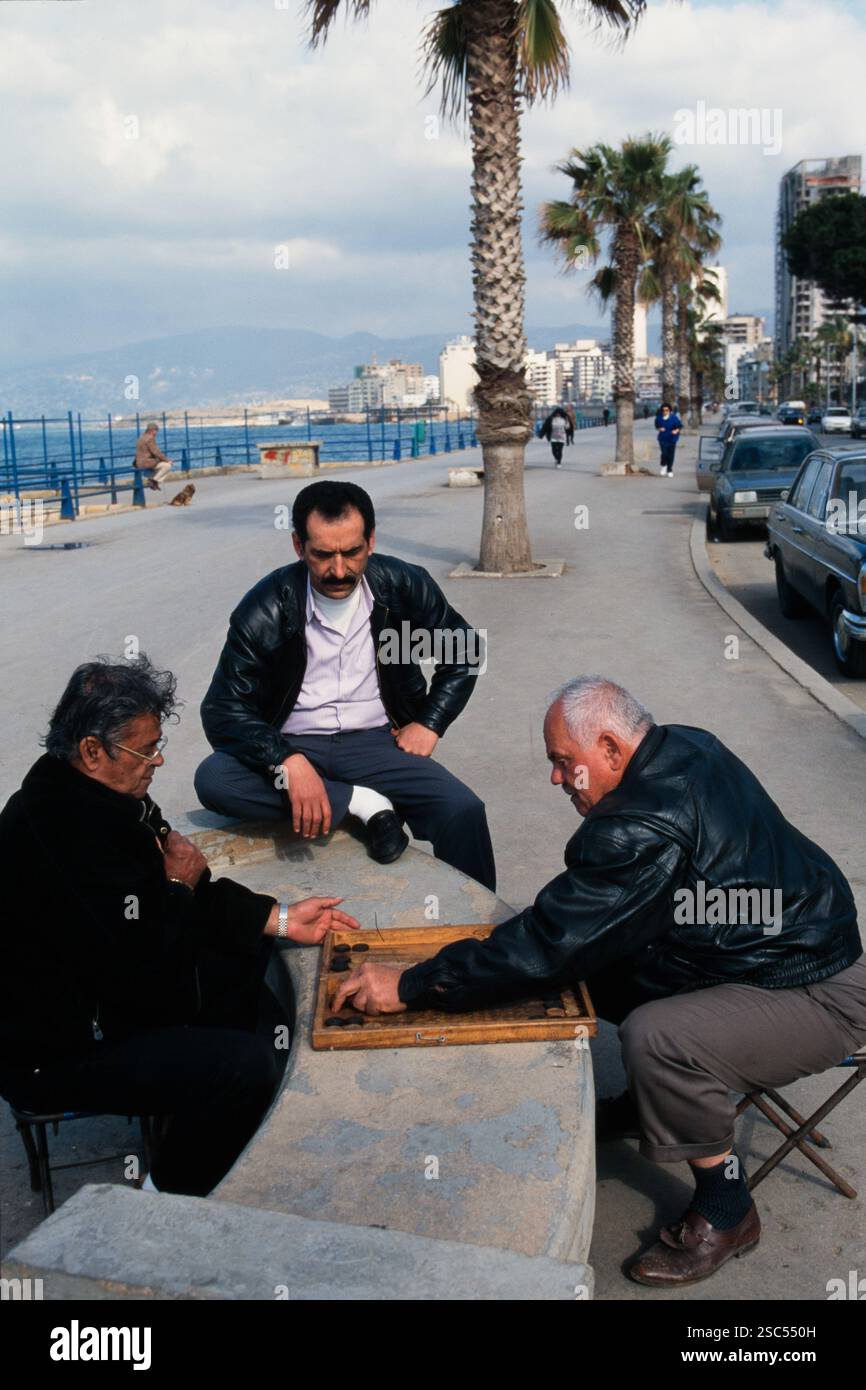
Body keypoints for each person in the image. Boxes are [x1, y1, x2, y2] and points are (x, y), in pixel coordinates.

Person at [332, 675, 866, 1289]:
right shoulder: (685, 744)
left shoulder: (640, 826)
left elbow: (547, 944)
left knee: (655, 1036)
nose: (556, 778)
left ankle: (728, 1209)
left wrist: (411, 986)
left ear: (612, 749)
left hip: (818, 988)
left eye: (564, 762)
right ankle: (651, 1106)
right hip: (770, 946)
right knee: (592, 967)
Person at [0, 656, 359, 1198]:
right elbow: (142, 970)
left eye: (156, 743)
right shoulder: (62, 834)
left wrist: (280, 918)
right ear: (93, 751)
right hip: (58, 1052)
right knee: (246, 1066)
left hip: (114, 992)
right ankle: (161, 1195)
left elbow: (189, 888)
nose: (158, 760)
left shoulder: (99, 794)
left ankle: (203, 1122)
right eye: (145, 749)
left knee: (254, 975)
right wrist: (175, 890)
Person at [195, 480, 495, 890]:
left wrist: (430, 723)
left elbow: (463, 651)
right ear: (298, 546)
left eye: (352, 552)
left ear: (370, 540)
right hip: (293, 743)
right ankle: (363, 803)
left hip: (377, 742)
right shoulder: (266, 605)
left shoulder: (403, 586)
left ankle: (484, 939)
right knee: (214, 780)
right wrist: (286, 760)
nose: (339, 570)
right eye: (322, 554)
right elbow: (222, 708)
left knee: (463, 811)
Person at [134, 422, 173, 491]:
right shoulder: (150, 438)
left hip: (138, 463)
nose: (156, 433)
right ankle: (154, 481)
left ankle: (153, 481)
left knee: (160, 466)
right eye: (156, 431)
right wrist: (167, 460)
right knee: (167, 466)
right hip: (146, 463)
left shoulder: (141, 437)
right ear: (152, 431)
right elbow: (156, 452)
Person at [655, 402, 682, 476]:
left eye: (666, 410)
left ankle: (669, 469)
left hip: (672, 439)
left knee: (671, 455)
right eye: (663, 410)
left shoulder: (674, 418)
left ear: (669, 410)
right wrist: (659, 429)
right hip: (662, 438)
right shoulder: (659, 418)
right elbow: (656, 426)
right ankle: (664, 465)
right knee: (664, 453)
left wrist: (676, 431)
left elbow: (679, 426)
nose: (665, 412)